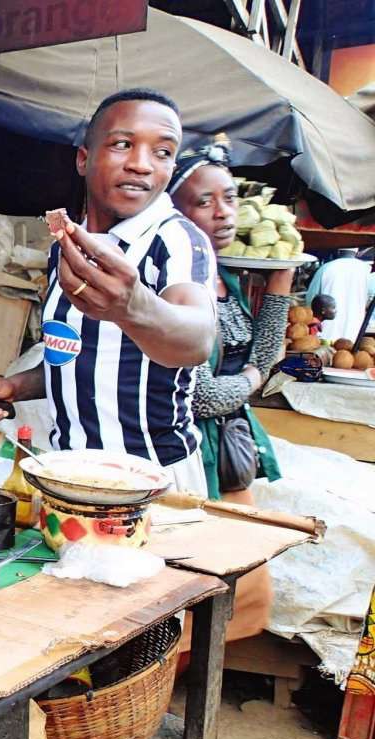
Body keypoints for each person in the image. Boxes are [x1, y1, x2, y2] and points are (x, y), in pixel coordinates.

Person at [0, 88, 217, 493]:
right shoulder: (67, 247)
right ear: (84, 159)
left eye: (163, 152)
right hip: (66, 472)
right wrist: (15, 386)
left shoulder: (176, 239)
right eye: (122, 144)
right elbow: (86, 360)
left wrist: (134, 307)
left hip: (153, 484)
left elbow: (197, 339)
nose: (141, 165)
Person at [168, 136, 293, 647]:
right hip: (188, 456)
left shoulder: (229, 280)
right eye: (204, 201)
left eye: (229, 198)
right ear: (173, 212)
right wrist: (249, 382)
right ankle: (134, 704)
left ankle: (157, 696)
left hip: (230, 455)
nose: (223, 213)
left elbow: (264, 357)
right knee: (183, 596)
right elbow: (198, 396)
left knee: (248, 597)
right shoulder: (178, 284)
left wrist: (281, 287)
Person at [305, 248, 372, 342]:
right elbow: (370, 299)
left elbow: (310, 300)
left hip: (326, 331)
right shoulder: (366, 270)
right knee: (348, 352)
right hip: (354, 328)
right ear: (357, 252)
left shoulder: (326, 268)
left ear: (337, 251)